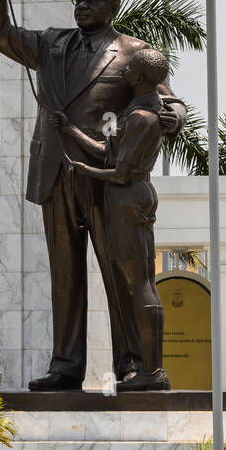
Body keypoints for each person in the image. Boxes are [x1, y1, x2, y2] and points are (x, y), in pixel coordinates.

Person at [0, 0, 185, 389]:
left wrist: (171, 118)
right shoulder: (52, 44)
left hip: (106, 178)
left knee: (120, 273)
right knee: (65, 275)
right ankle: (65, 365)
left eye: (91, 1)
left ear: (111, 8)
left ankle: (133, 364)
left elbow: (167, 101)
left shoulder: (132, 52)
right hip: (57, 173)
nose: (81, 6)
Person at [49, 47, 171, 391]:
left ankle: (152, 370)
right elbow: (109, 151)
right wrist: (70, 130)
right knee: (136, 280)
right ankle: (151, 369)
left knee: (139, 283)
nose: (125, 69)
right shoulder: (136, 111)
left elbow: (119, 173)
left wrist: (84, 171)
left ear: (142, 77)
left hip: (128, 198)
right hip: (126, 197)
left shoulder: (142, 116)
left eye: (130, 66)